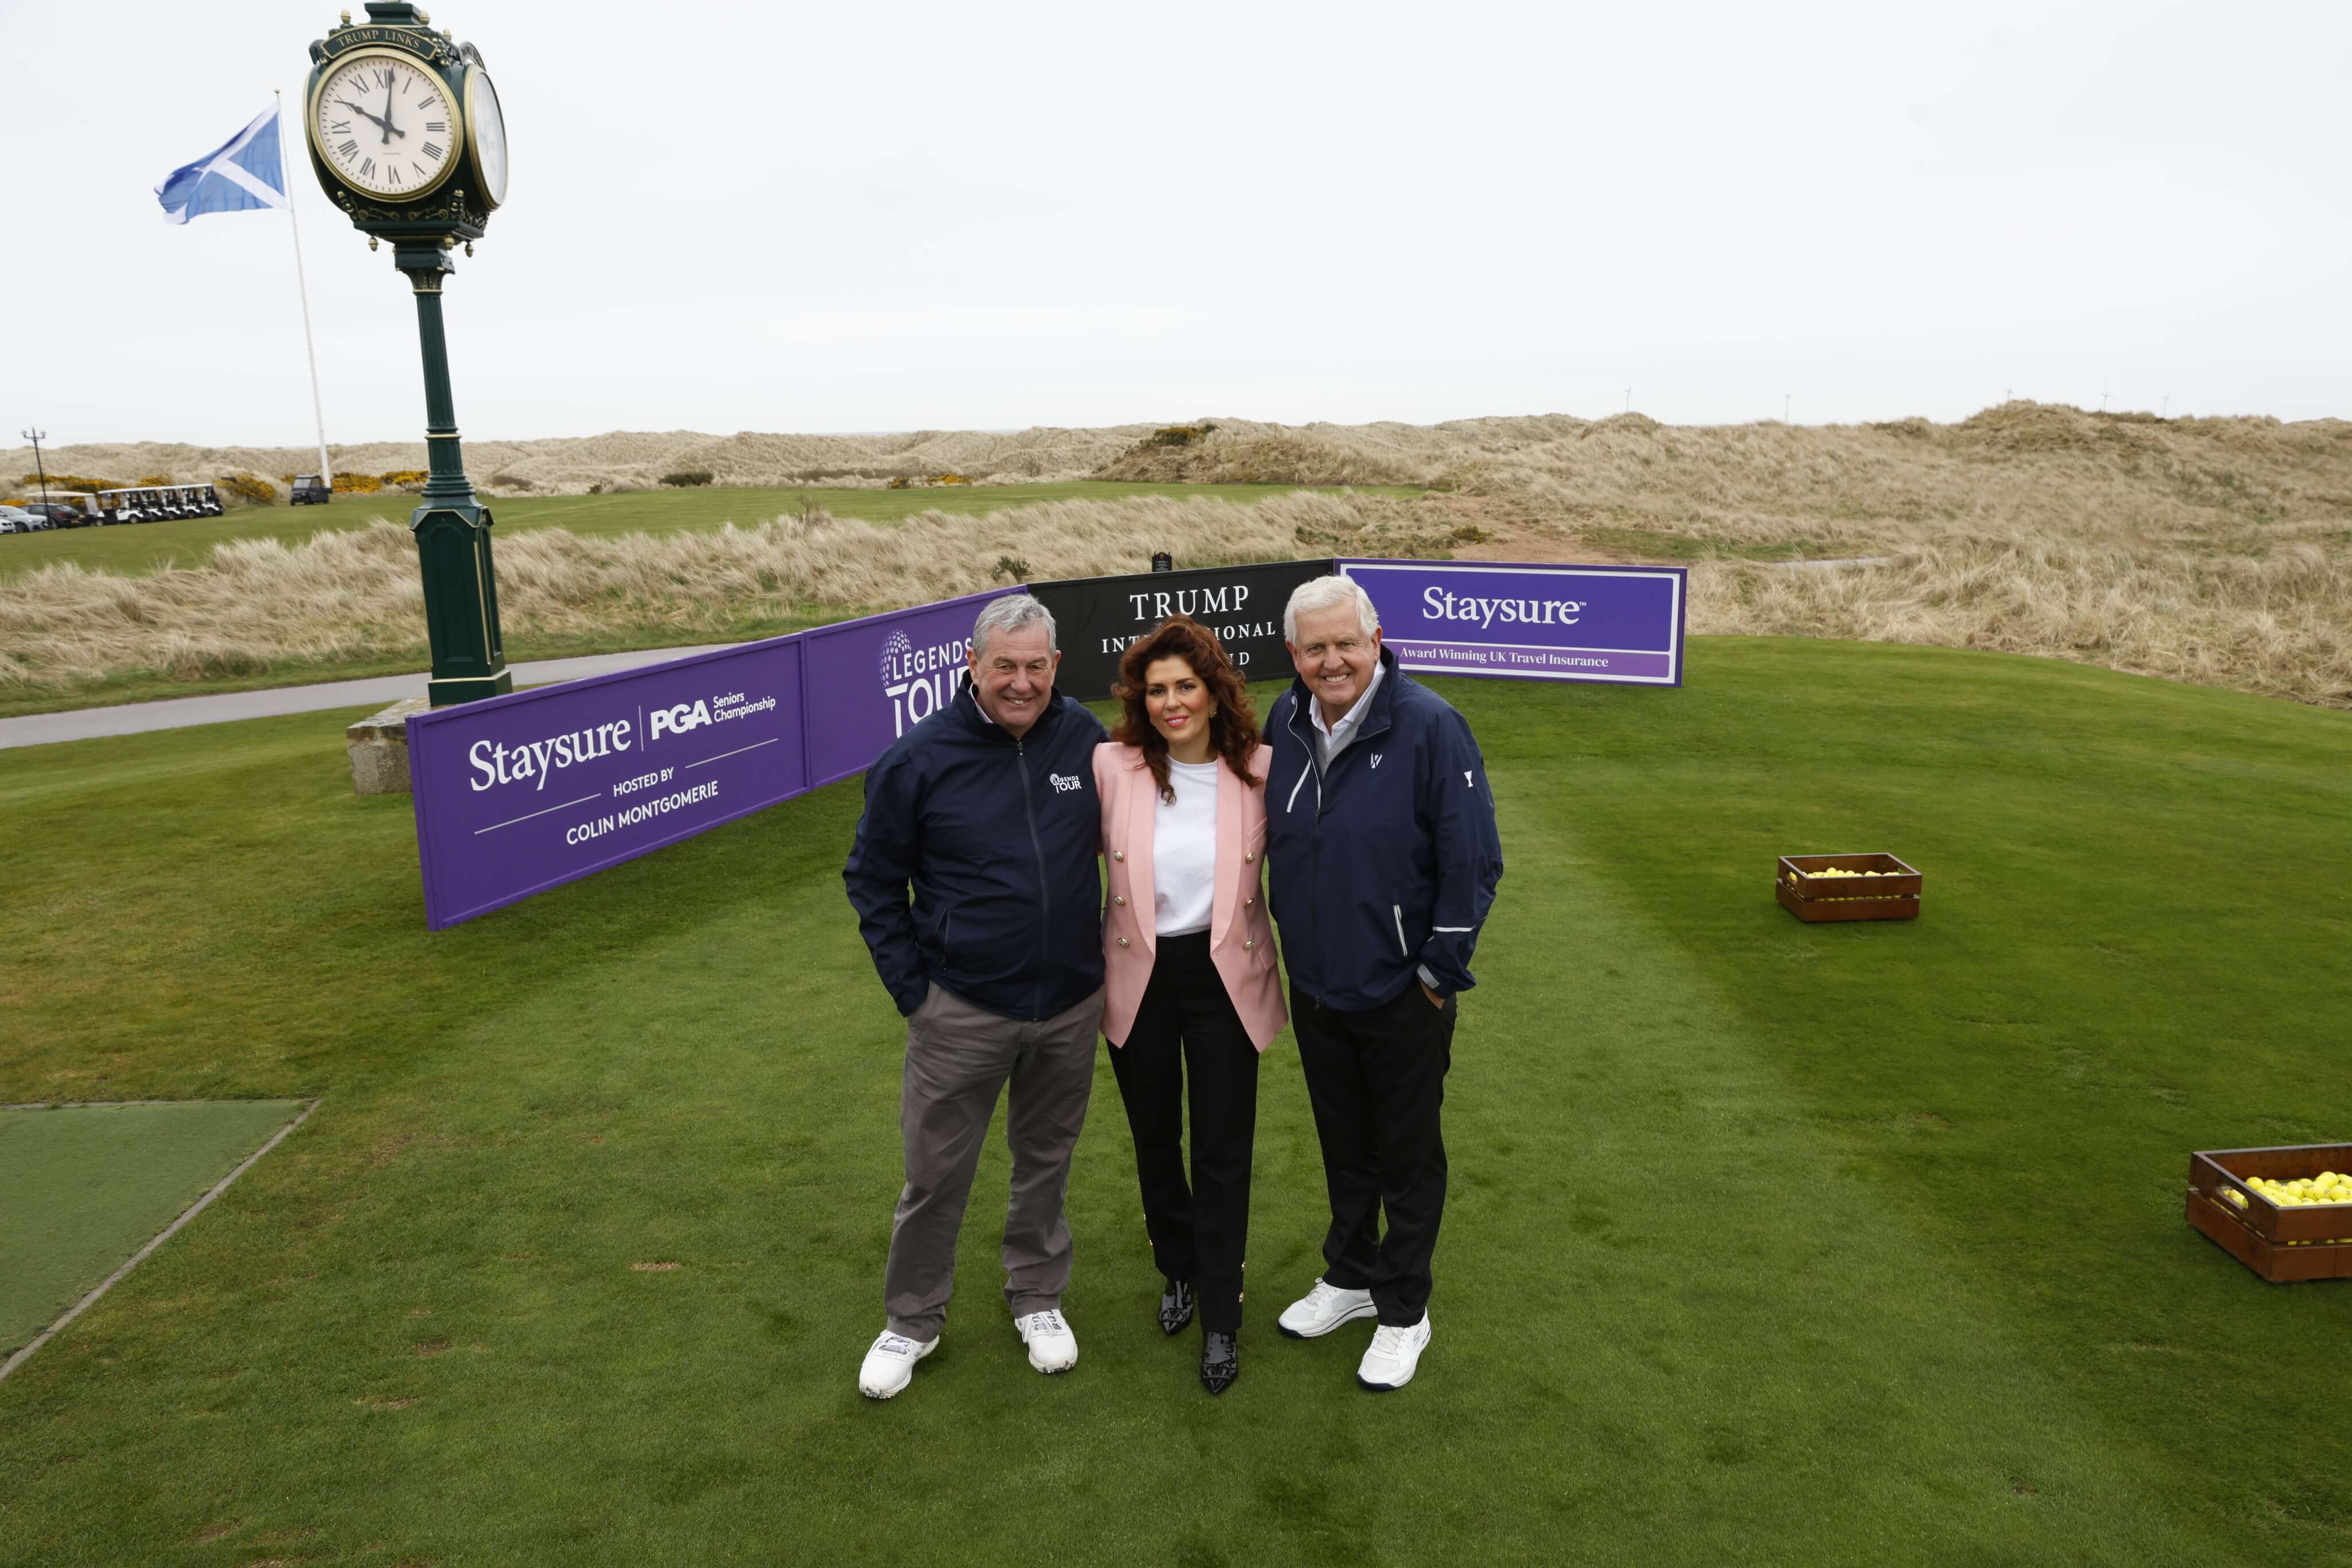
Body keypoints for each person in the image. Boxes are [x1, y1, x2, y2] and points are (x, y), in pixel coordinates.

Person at [841, 594, 1109, 1400]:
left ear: (1056, 666)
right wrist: (914, 993)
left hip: (1068, 1003)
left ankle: (1037, 1295)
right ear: (973, 666)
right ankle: (913, 1317)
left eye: (1035, 666)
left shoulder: (1085, 739)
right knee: (935, 1172)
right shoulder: (918, 758)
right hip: (960, 1008)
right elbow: (873, 880)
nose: (1021, 682)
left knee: (1046, 1159)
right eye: (1005, 667)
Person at [1262, 574, 1503, 1392]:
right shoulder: (1286, 719)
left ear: (1376, 641)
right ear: (1293, 654)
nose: (1333, 662)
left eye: (1346, 644)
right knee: (1343, 1144)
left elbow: (1473, 863)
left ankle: (1404, 1310)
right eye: (1315, 648)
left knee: (1405, 1155)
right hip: (1319, 983)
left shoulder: (1431, 726)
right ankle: (1353, 1276)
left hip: (1403, 990)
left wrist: (1435, 974)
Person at [1094, 616, 1286, 1395]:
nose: (1172, 703)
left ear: (1215, 691)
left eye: (1186, 686)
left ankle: (1221, 1313)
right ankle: (1176, 1268)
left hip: (1224, 981)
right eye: (1157, 690)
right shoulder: (1113, 766)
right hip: (1137, 977)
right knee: (1154, 1140)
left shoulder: (1262, 770)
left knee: (1222, 1151)